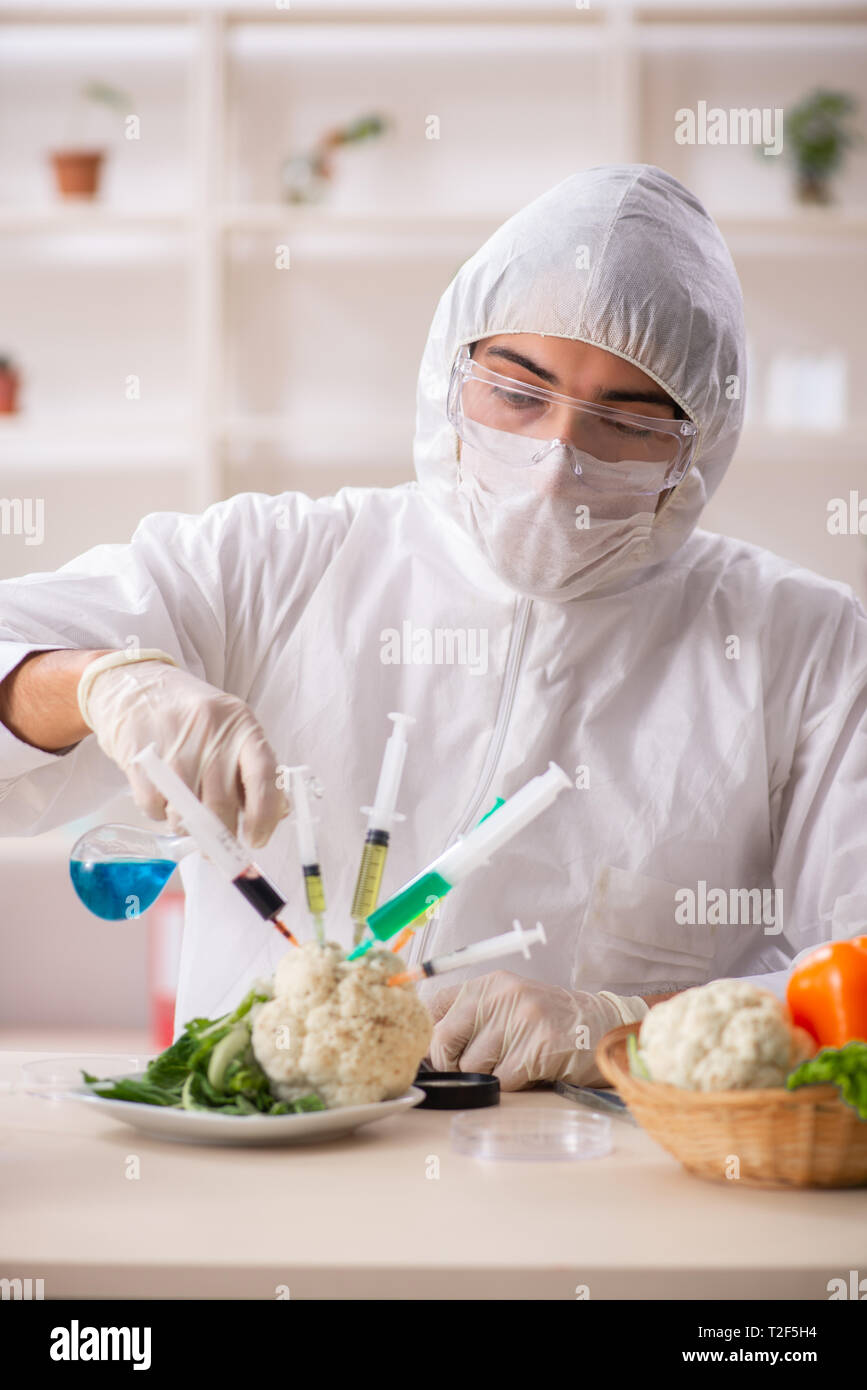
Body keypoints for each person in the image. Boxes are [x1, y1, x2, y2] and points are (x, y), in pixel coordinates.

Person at [1, 164, 865, 1090]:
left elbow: (853, 973)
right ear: (451, 372)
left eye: (623, 423)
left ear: (700, 443)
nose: (553, 465)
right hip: (256, 1163)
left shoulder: (804, 647)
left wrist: (624, 1029)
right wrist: (104, 684)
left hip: (607, 1204)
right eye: (519, 391)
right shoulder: (274, 559)